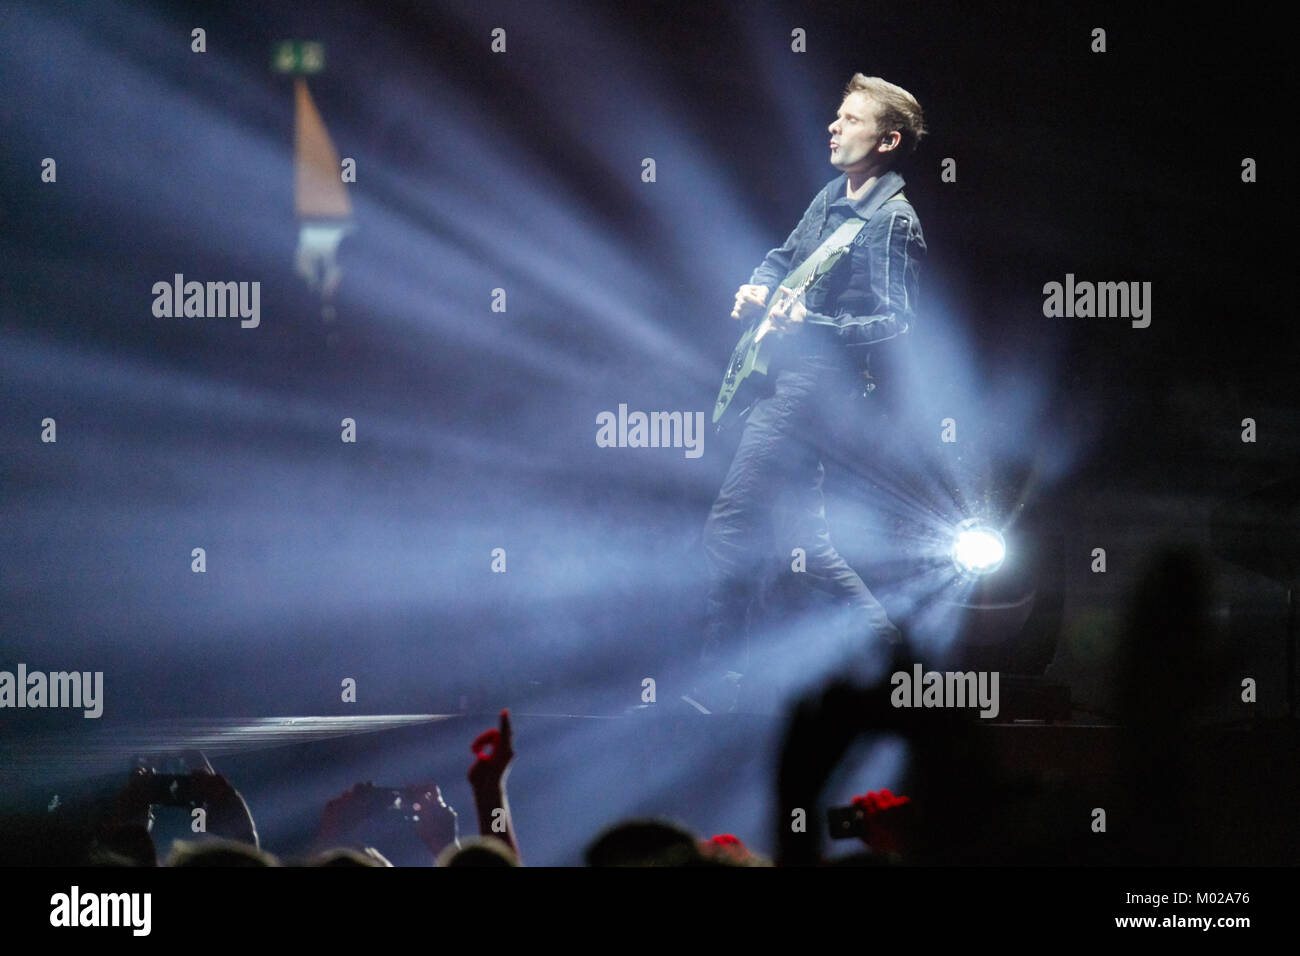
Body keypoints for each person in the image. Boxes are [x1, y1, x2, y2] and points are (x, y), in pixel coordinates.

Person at [691, 75, 928, 713]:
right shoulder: (832, 196)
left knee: (731, 527)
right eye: (837, 116)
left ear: (887, 140)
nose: (834, 126)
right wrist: (757, 288)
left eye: (850, 119)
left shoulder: (892, 223)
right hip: (782, 379)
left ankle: (720, 688)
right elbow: (782, 255)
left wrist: (811, 325)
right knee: (811, 545)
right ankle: (904, 670)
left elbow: (896, 323)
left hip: (816, 391)